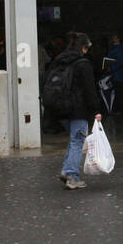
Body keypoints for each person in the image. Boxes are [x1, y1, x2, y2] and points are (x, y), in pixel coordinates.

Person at [45, 32, 103, 190]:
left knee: (74, 139)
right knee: (78, 140)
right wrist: (96, 110)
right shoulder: (83, 64)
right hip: (78, 109)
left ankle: (67, 170)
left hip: (59, 107)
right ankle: (71, 174)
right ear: (84, 47)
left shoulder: (59, 61)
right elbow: (89, 90)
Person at [104, 34, 123, 115]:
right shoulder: (114, 48)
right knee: (117, 92)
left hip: (118, 73)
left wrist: (112, 68)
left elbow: (121, 61)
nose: (113, 38)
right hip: (114, 73)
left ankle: (121, 109)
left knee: (119, 92)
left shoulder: (119, 48)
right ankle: (117, 108)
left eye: (115, 37)